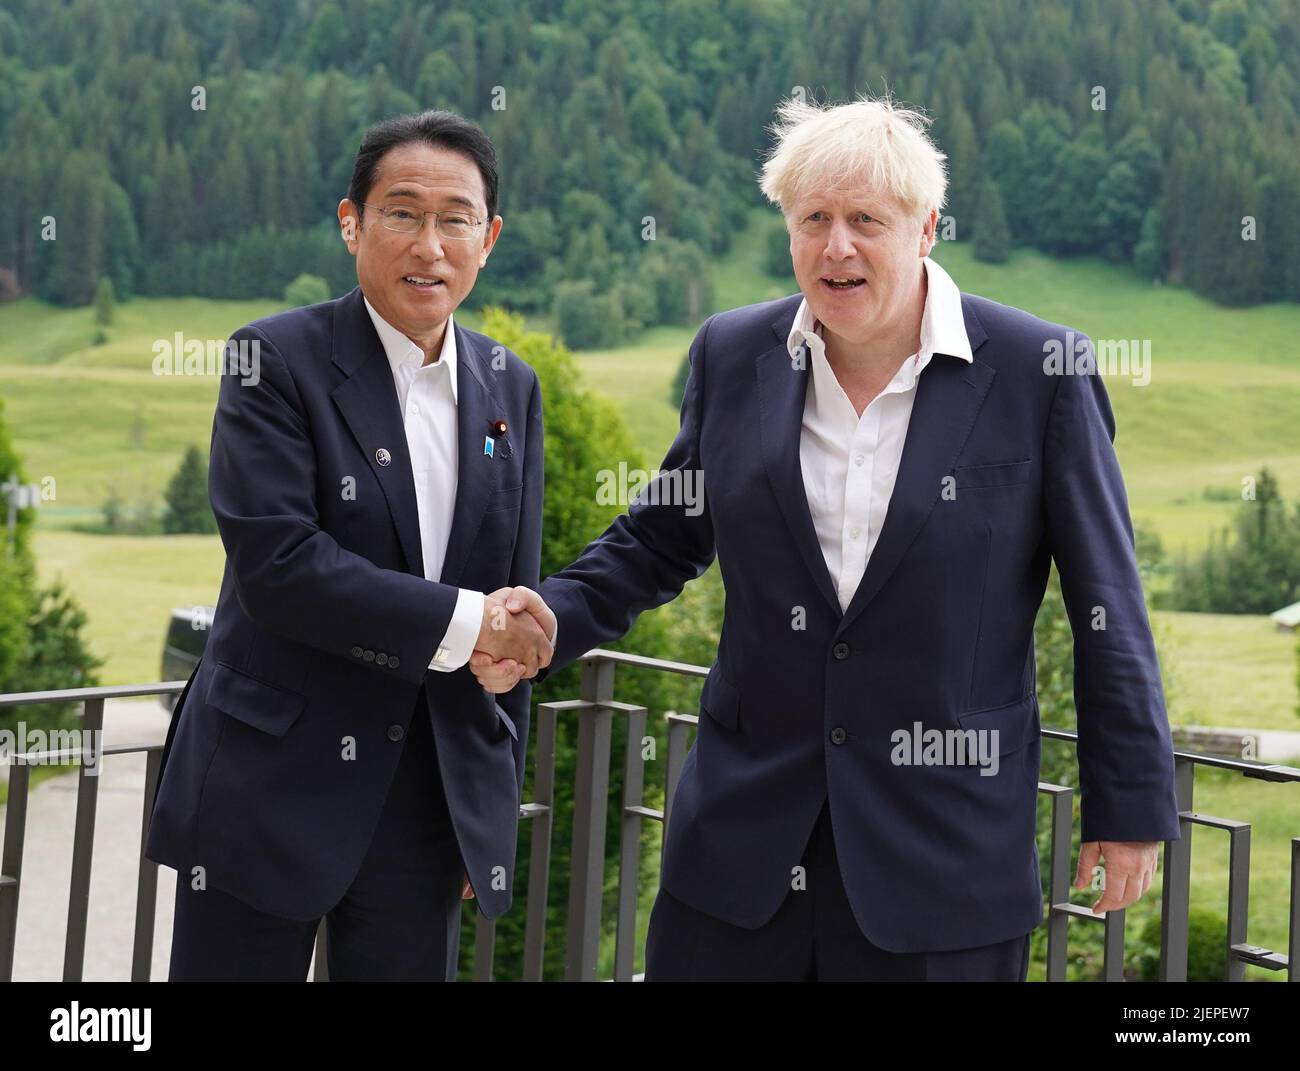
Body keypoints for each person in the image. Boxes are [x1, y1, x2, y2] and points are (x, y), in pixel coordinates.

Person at [473, 95, 1180, 981]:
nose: (836, 246)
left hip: (942, 864)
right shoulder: (734, 354)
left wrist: (1130, 805)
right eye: (814, 220)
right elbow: (662, 536)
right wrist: (547, 619)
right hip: (737, 857)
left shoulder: (1043, 371)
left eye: (865, 221)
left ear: (926, 229)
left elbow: (1106, 602)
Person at [147, 110, 556, 981]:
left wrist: (487, 810)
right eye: (402, 212)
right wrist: (469, 621)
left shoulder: (509, 389)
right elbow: (281, 569)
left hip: (423, 811)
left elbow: (511, 615)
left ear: (489, 239)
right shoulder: (273, 359)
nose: (430, 243)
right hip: (266, 791)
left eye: (456, 219)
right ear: (351, 222)